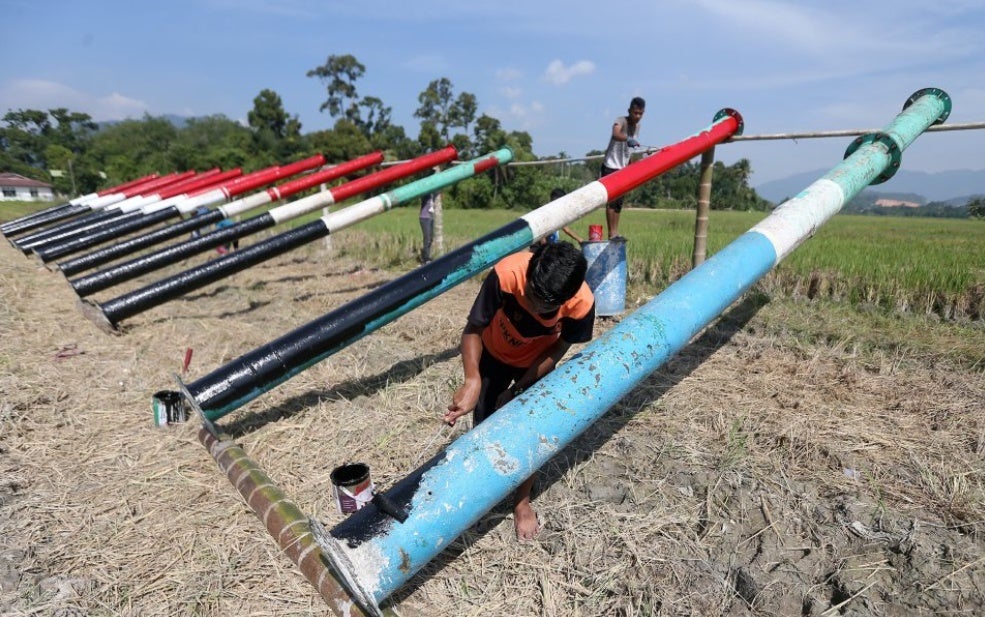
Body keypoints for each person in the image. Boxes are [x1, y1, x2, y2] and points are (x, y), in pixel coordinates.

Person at [444, 242, 596, 540]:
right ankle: (486, 487)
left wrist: (519, 389)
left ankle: (522, 501)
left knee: (529, 430)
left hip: (535, 365)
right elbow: (473, 330)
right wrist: (472, 379)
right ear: (530, 270)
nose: (534, 308)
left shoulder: (582, 304)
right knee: (486, 422)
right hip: (492, 354)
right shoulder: (506, 275)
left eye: (545, 307)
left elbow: (558, 348)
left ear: (567, 298)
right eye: (531, 296)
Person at [600, 96, 645, 240]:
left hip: (623, 167)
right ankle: (611, 233)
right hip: (611, 165)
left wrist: (631, 163)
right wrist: (627, 139)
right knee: (611, 201)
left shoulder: (637, 127)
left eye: (640, 114)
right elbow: (616, 133)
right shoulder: (621, 121)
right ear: (629, 111)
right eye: (635, 113)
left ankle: (615, 232)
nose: (637, 116)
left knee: (619, 202)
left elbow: (629, 150)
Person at [419, 190, 436, 264]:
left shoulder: (433, 195)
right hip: (424, 217)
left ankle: (427, 256)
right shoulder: (426, 193)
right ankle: (425, 259)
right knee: (427, 238)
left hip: (431, 217)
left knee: (431, 238)